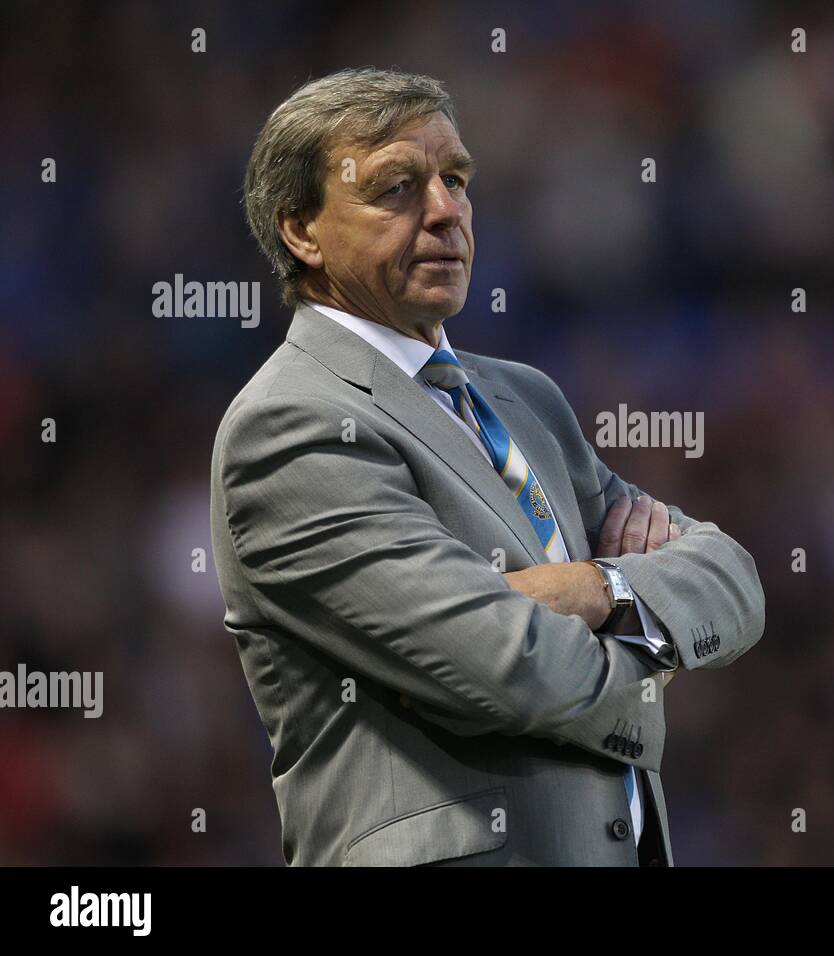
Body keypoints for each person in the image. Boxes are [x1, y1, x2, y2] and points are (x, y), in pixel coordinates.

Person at [209, 67, 765, 865]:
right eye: (397, 188)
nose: (446, 212)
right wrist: (659, 647)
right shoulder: (289, 424)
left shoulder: (526, 399)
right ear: (302, 230)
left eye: (456, 179)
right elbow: (506, 668)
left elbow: (733, 577)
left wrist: (599, 588)